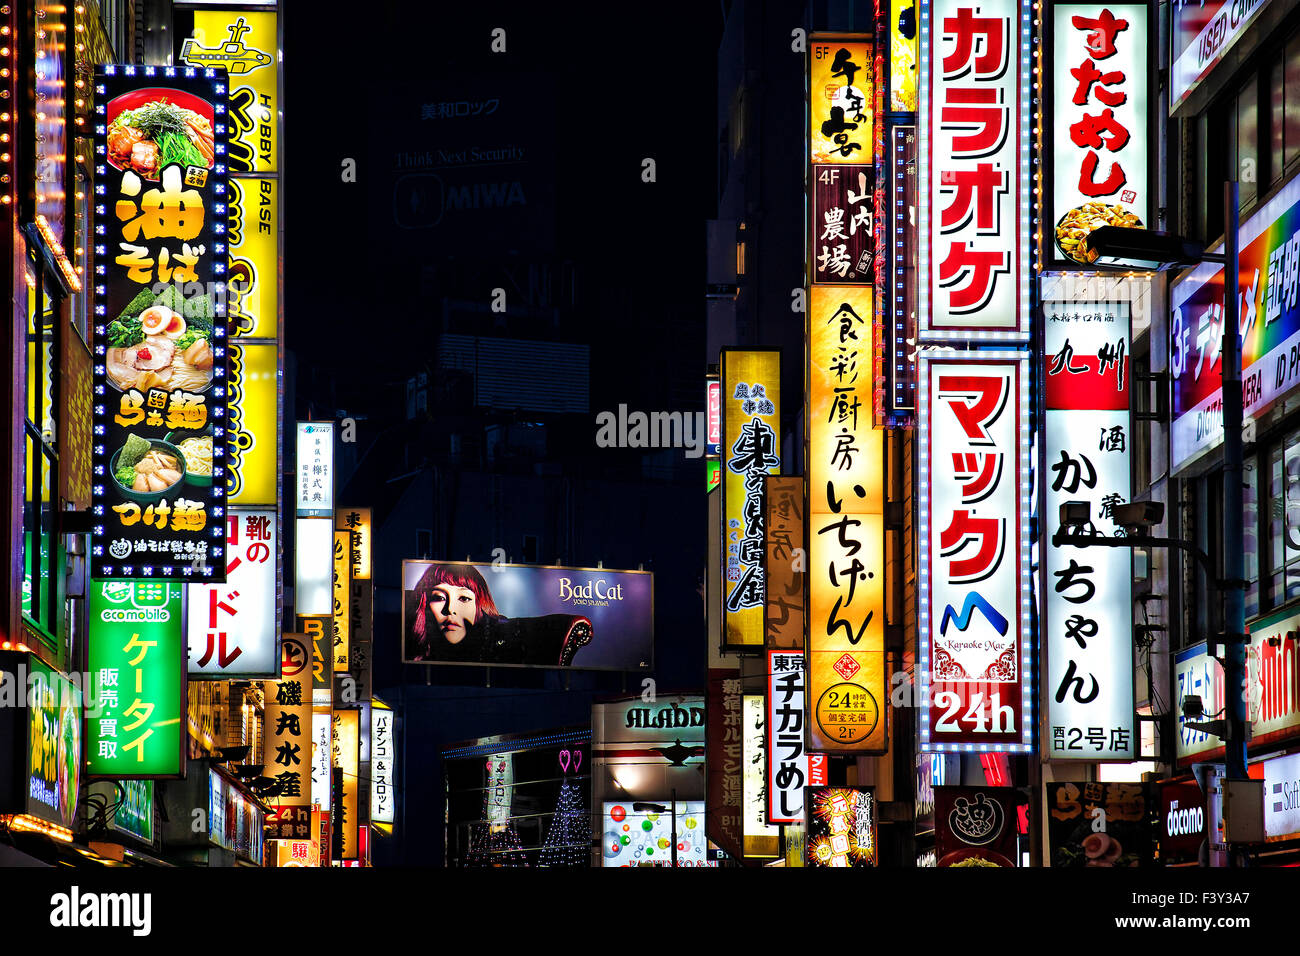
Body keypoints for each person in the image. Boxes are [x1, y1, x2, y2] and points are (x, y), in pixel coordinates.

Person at [407, 563, 593, 666]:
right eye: (439, 597)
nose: (450, 609)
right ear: (424, 604)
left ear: (480, 606)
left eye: (463, 599)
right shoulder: (413, 651)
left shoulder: (501, 643)